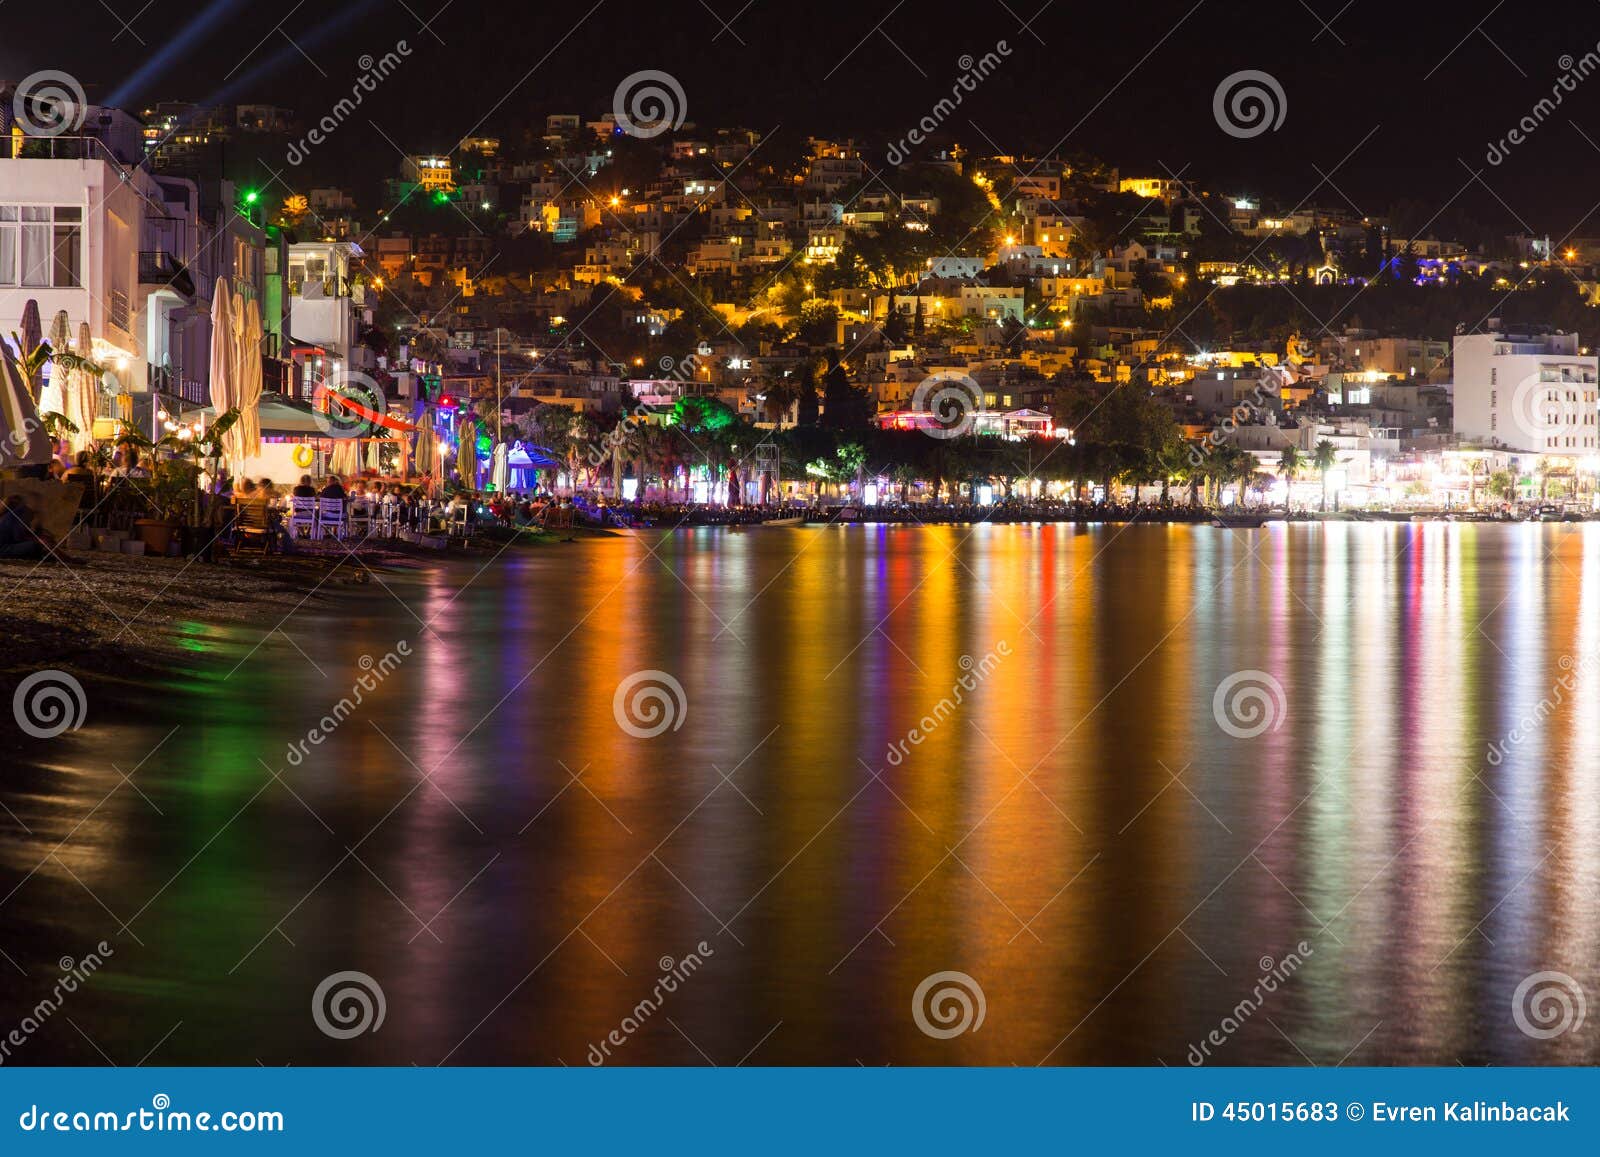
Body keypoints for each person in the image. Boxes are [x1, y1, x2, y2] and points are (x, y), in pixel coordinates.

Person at [0, 496, 47, 560]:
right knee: (34, 546)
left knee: (34, 545)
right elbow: (17, 537)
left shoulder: (9, 515)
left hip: (6, 546)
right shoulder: (19, 513)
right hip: (3, 549)